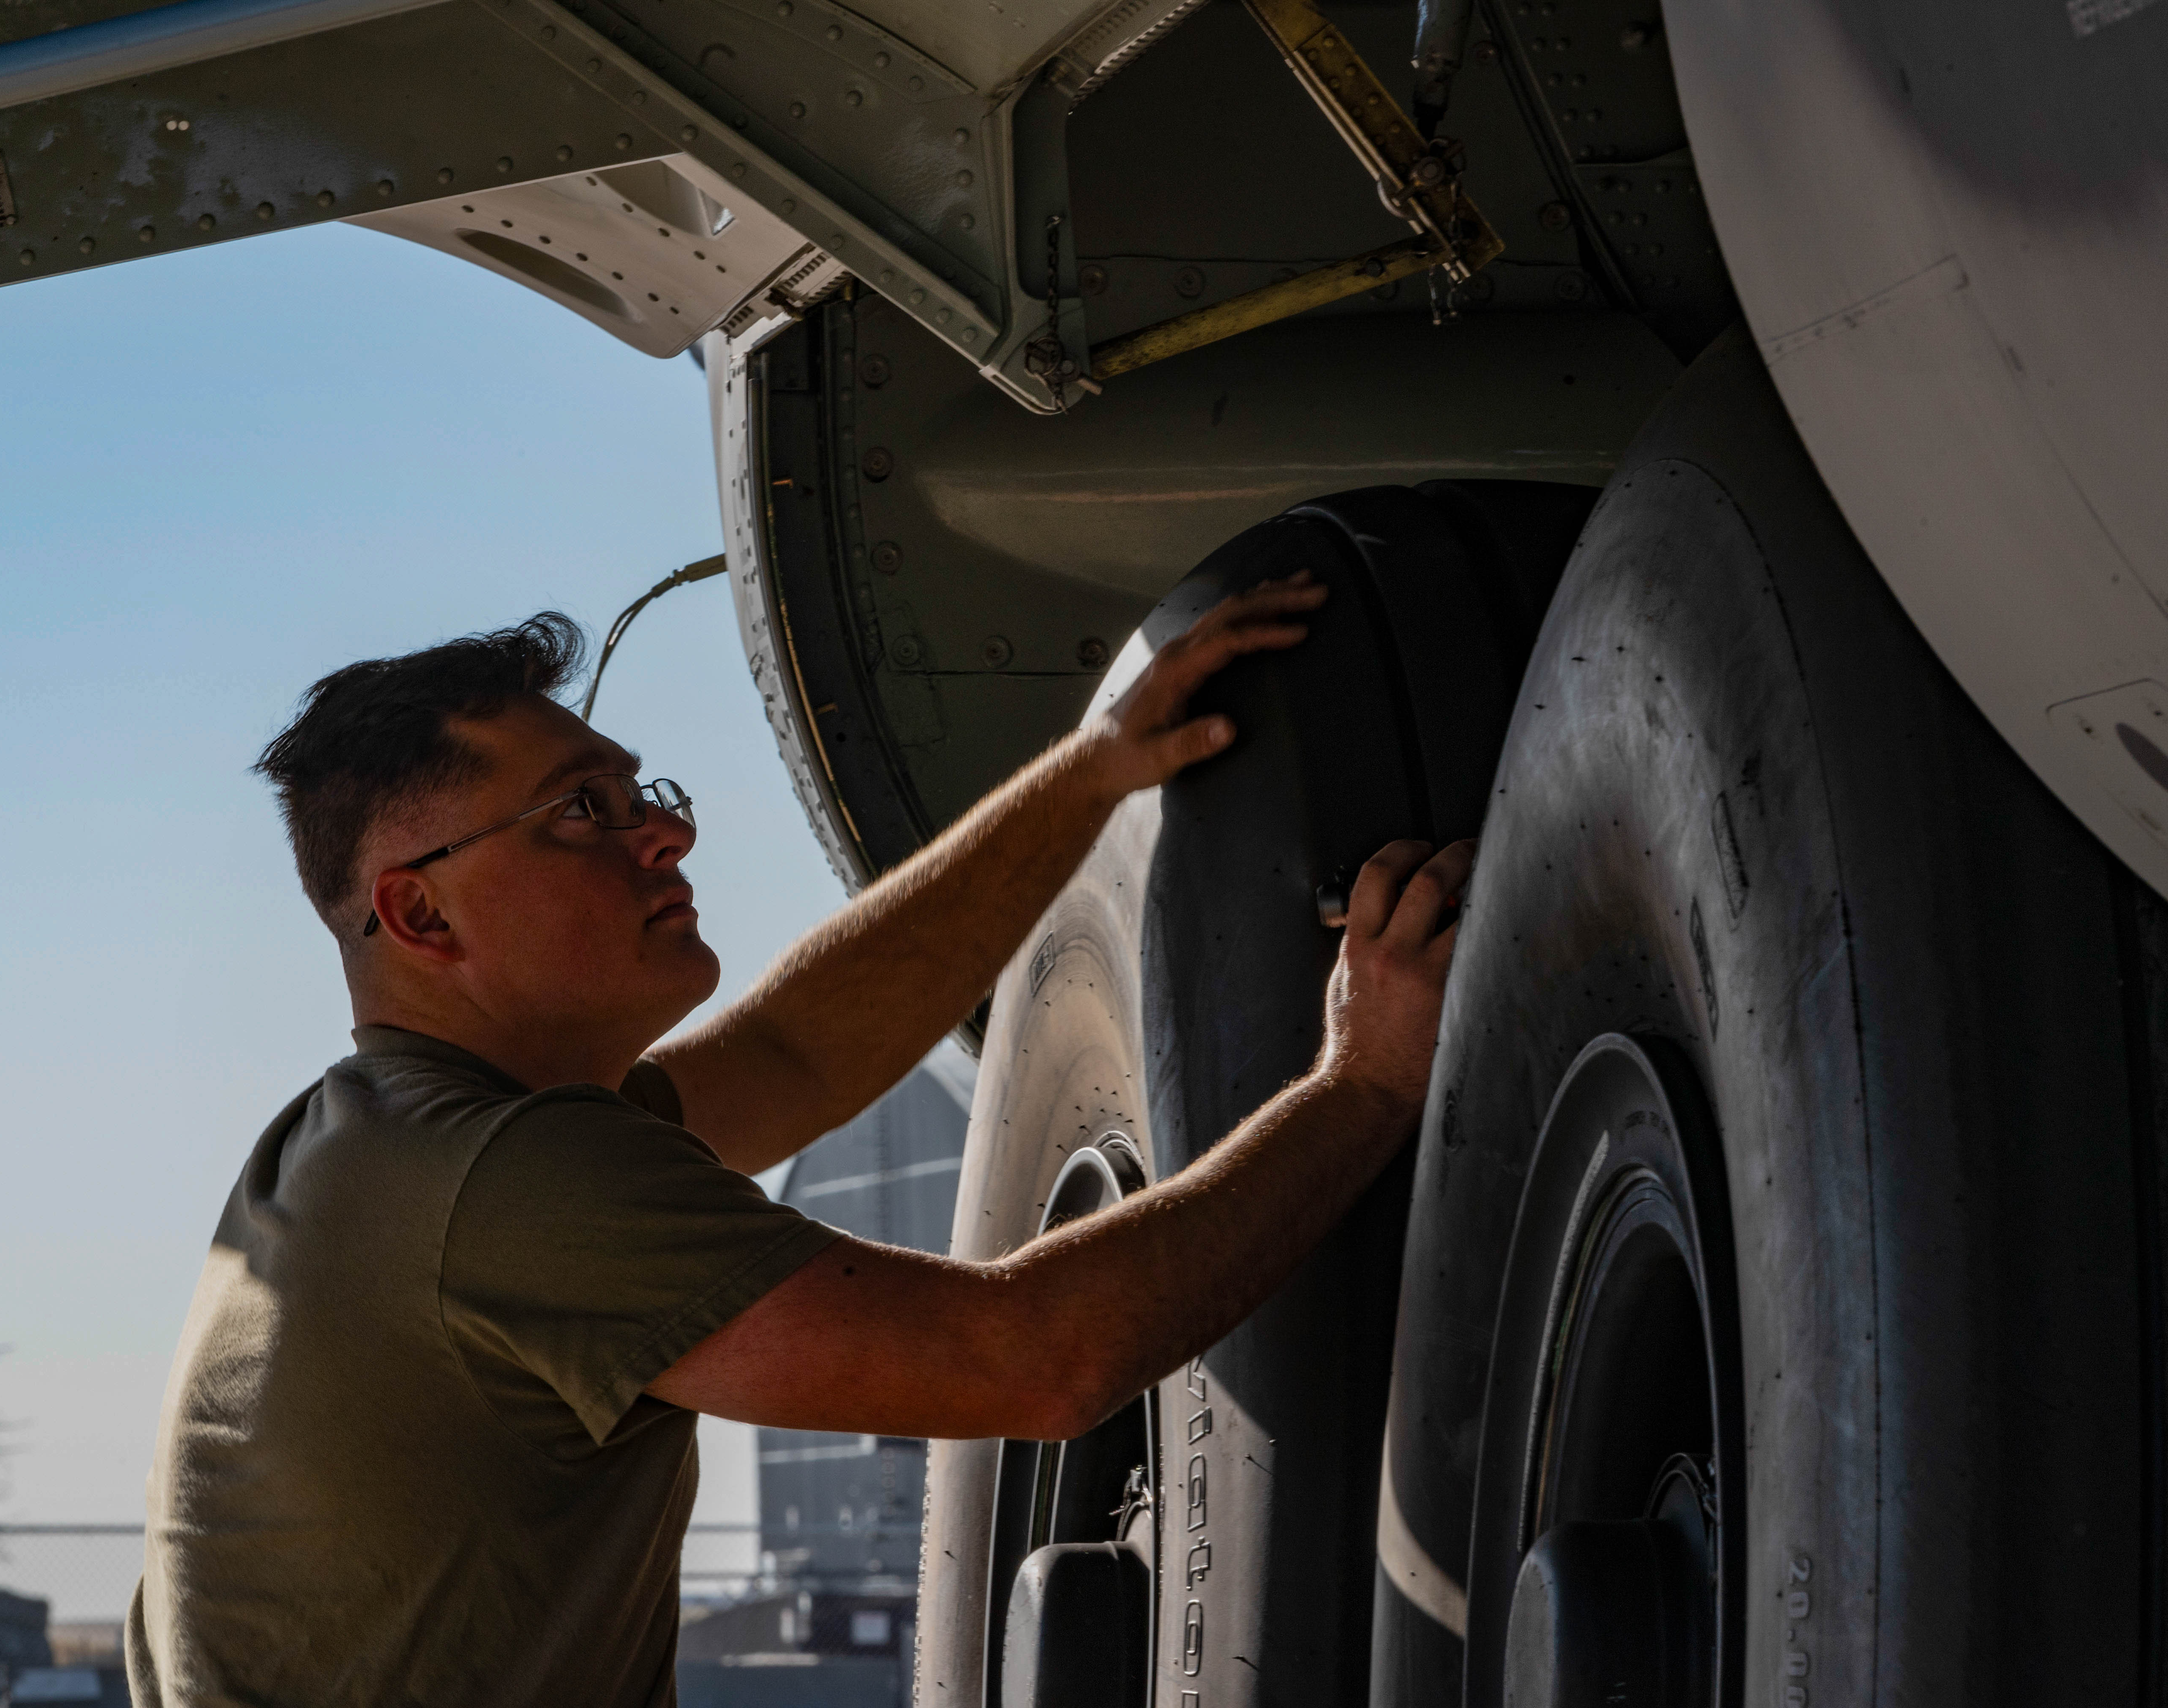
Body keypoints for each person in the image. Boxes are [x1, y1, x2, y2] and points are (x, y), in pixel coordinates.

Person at [129, 576, 1474, 1705]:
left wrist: (1097, 773)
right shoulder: (504, 1186)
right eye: (582, 814)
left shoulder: (376, 1144)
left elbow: (795, 1056)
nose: (668, 830)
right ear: (420, 919)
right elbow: (1037, 1361)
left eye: (635, 788)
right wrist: (1364, 1084)